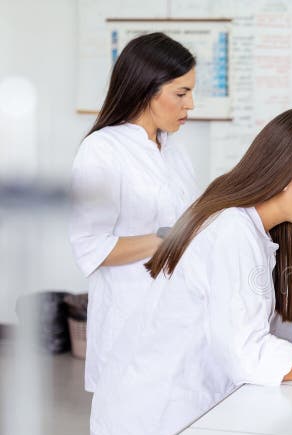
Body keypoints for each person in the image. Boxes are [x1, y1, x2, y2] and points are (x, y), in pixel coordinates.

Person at [89, 108, 292, 435]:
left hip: (153, 411)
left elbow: (283, 313)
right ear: (287, 174)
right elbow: (248, 356)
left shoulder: (248, 219)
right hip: (148, 434)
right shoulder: (231, 229)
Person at [70, 32, 200, 392]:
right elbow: (92, 248)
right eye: (181, 93)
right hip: (130, 323)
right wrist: (165, 240)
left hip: (177, 318)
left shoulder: (171, 150)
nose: (190, 104)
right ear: (147, 89)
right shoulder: (101, 150)